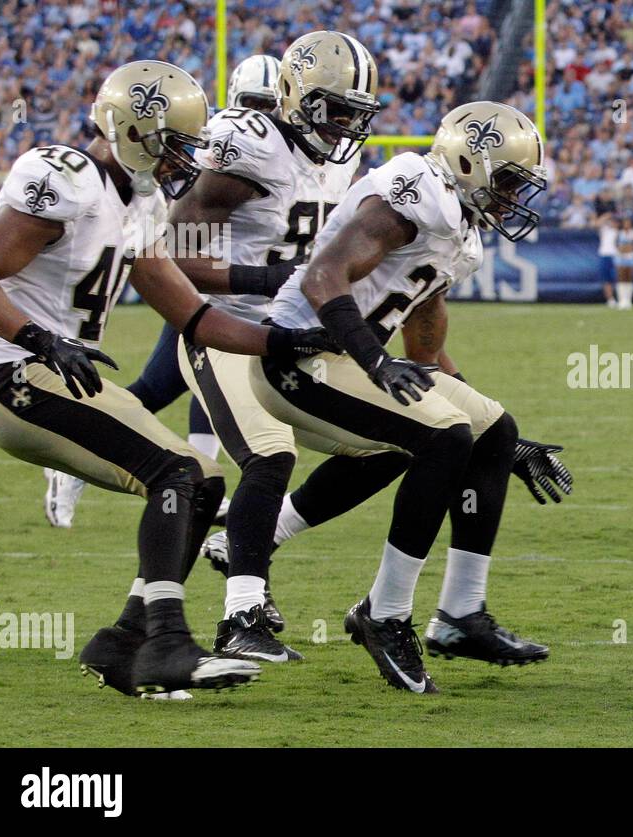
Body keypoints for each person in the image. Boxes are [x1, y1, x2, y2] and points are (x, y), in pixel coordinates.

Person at [0, 60, 333, 697]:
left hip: (62, 372)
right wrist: (36, 336)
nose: (185, 161)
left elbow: (190, 314)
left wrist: (279, 338)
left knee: (203, 480)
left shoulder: (139, 201)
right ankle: (168, 639)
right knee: (179, 471)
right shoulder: (64, 177)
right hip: (15, 373)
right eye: (178, 144)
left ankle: (124, 642)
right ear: (136, 130)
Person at [252, 101, 571, 693]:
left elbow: (422, 318)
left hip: (351, 357)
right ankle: (386, 613)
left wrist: (470, 410)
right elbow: (324, 276)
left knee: (494, 431)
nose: (511, 198)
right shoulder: (413, 191)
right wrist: (377, 361)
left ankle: (459, 615)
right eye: (505, 181)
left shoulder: (458, 226)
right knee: (442, 438)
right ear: (468, 162)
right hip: (299, 358)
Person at [170, 33, 377, 662]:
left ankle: (262, 537)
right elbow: (172, 256)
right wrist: (261, 278)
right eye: (333, 109)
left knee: (398, 438)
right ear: (292, 98)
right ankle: (241, 614)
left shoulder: (340, 163)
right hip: (227, 328)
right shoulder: (249, 148)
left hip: (296, 335)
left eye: (354, 113)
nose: (344, 126)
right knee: (269, 451)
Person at [38, 54, 284, 531]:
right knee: (156, 389)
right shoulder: (217, 155)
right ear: (235, 101)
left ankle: (205, 484)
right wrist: (259, 277)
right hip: (202, 294)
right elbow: (178, 252)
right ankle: (71, 462)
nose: (263, 116)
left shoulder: (285, 160)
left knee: (194, 390)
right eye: (255, 104)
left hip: (247, 302)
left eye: (271, 106)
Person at [596, 211, 618, 307]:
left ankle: (621, 298)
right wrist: (606, 216)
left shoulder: (618, 232)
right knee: (607, 279)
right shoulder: (604, 230)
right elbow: (595, 224)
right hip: (605, 255)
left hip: (615, 256)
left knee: (617, 278)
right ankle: (610, 299)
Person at [615, 216, 633, 309]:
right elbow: (618, 246)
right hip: (621, 257)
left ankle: (628, 300)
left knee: (629, 278)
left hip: (631, 257)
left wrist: (626, 248)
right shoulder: (619, 233)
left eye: (628, 223)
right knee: (621, 278)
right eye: (625, 222)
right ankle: (621, 300)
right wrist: (625, 248)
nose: (626, 224)